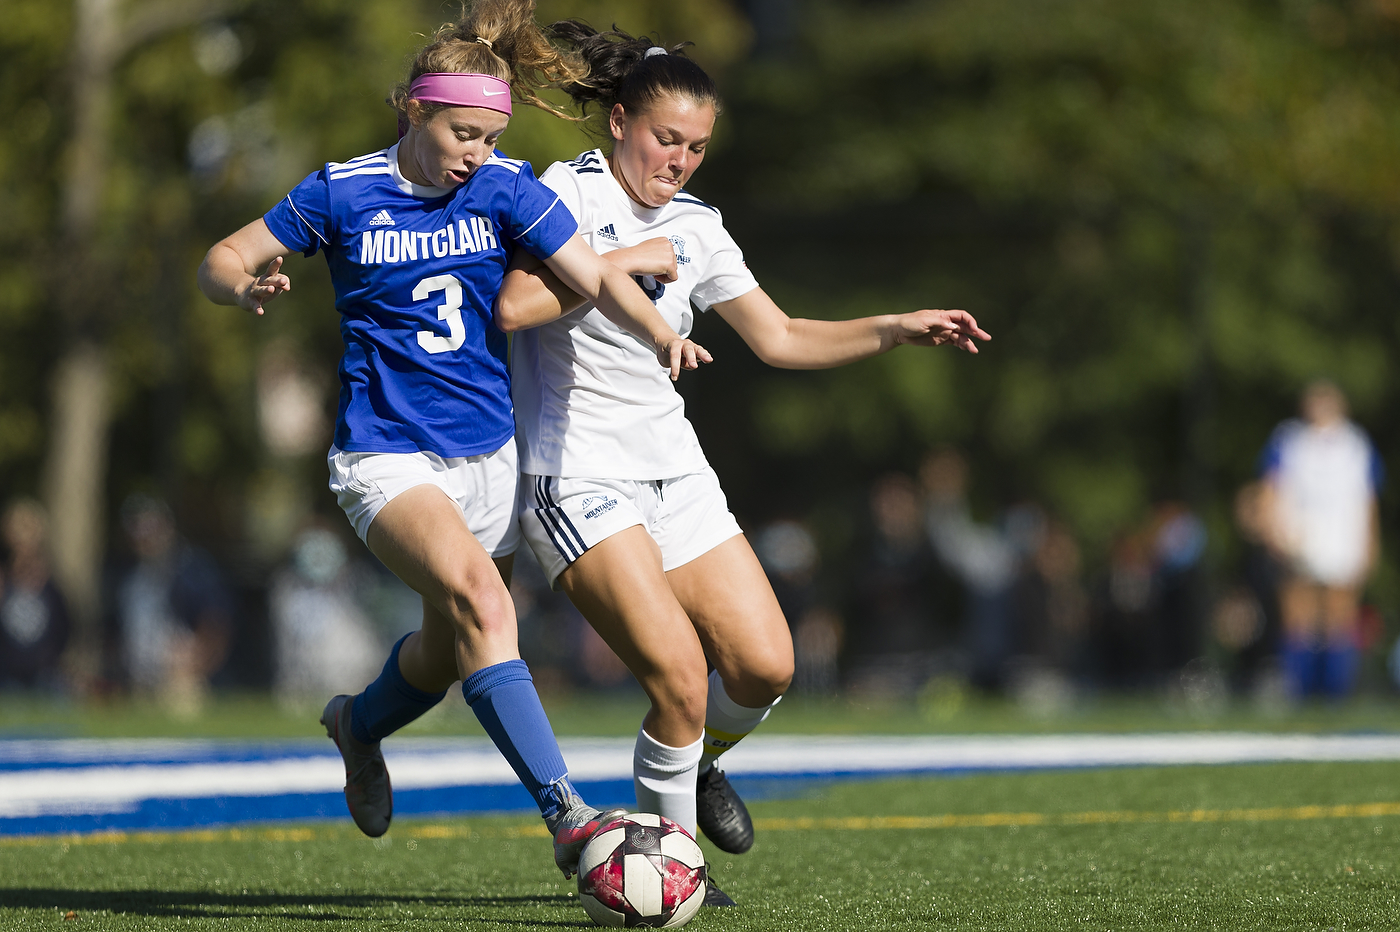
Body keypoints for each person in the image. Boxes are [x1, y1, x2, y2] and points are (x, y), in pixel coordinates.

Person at [197, 0, 708, 879]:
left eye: (488, 134)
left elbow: (590, 274)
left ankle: (357, 724)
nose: (475, 152)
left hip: (488, 459)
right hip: (386, 456)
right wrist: (241, 286)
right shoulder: (341, 190)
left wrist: (659, 332)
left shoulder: (503, 186)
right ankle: (570, 819)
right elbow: (222, 256)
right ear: (412, 109)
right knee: (483, 600)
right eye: (461, 132)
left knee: (444, 653)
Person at [493, 22, 990, 892]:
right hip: (576, 473)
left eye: (697, 147)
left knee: (765, 666)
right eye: (665, 139)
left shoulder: (698, 226)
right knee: (681, 676)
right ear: (617, 122)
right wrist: (621, 260)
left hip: (674, 470)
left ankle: (697, 763)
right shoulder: (562, 192)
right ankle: (676, 865)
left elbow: (783, 336)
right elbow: (516, 307)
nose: (680, 160)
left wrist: (896, 328)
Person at [1258, 380, 1382, 699]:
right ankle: (1299, 690)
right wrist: (1273, 528)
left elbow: (1367, 498)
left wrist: (1370, 541)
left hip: (1342, 538)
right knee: (1298, 615)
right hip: (1299, 536)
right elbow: (1271, 486)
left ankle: (1335, 693)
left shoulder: (1355, 444)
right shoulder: (1289, 439)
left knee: (1339, 615)